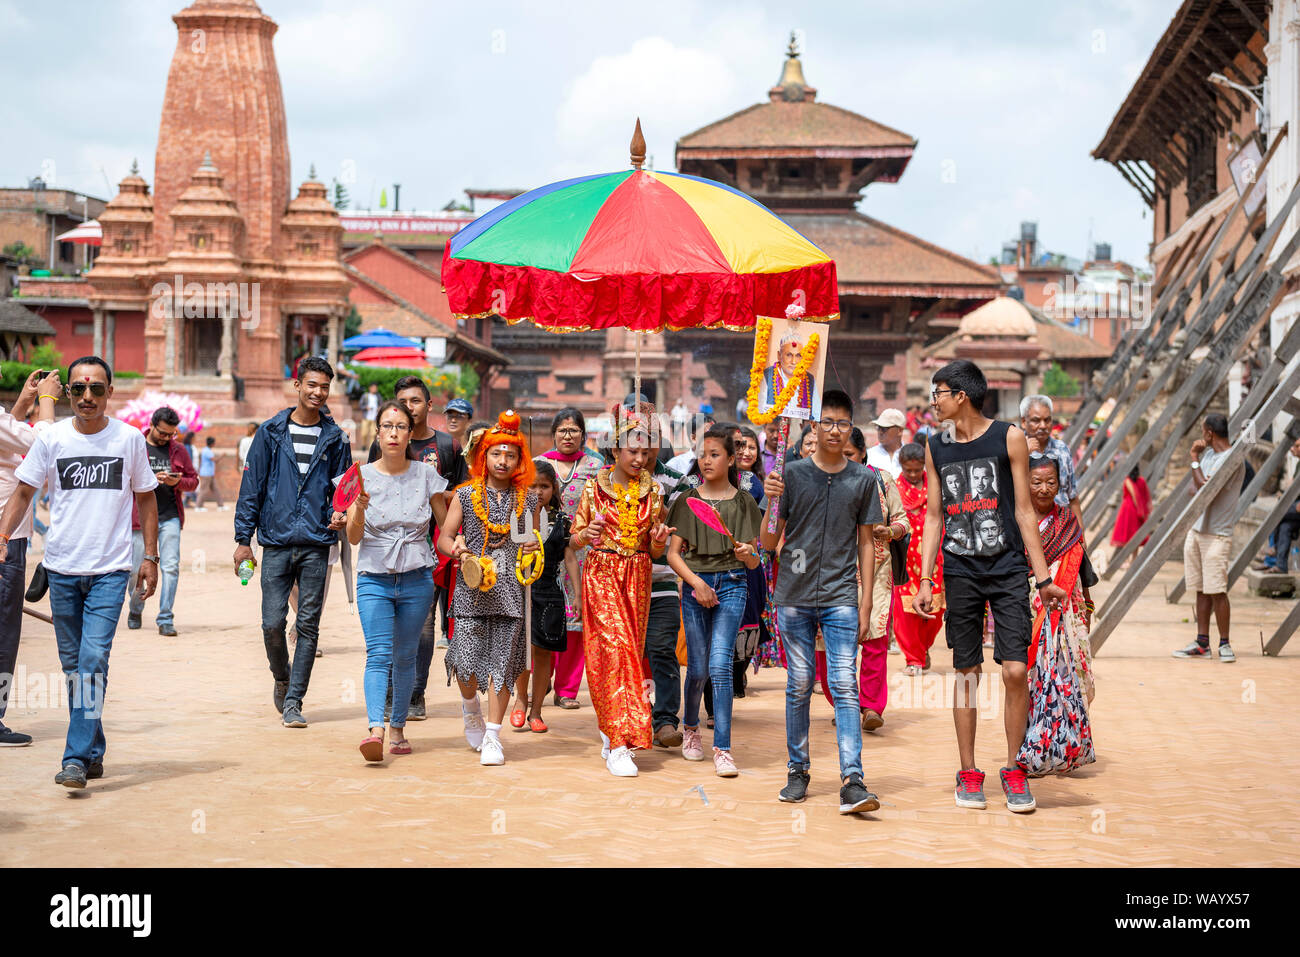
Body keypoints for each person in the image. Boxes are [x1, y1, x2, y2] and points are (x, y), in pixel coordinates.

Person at [914, 359, 1066, 814]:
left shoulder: (1009, 437)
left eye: (938, 392)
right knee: (965, 673)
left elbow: (1023, 511)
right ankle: (968, 769)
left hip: (1006, 568)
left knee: (1016, 670)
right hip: (960, 570)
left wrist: (1042, 579)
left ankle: (1015, 767)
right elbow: (935, 515)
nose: (933, 401)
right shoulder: (934, 444)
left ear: (961, 395)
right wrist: (925, 578)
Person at [0, 356, 160, 789]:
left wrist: (151, 556)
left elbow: (146, 499)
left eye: (97, 389)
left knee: (91, 662)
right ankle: (93, 748)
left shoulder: (128, 440)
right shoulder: (51, 439)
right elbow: (23, 491)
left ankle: (73, 758)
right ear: (68, 393)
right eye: (79, 389)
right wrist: (1, 535)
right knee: (76, 668)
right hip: (62, 571)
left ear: (110, 392)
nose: (87, 397)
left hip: (110, 571)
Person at [761, 388, 884, 814]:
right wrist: (772, 499)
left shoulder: (863, 480)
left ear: (852, 428)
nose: (834, 430)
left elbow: (866, 543)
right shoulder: (790, 475)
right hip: (793, 596)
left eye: (842, 423)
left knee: (845, 685)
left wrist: (866, 601)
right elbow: (768, 540)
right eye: (826, 422)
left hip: (840, 596)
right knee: (798, 685)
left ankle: (853, 779)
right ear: (813, 426)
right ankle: (798, 770)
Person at [234, 356, 353, 728]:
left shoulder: (336, 439)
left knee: (308, 627)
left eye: (325, 387)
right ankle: (282, 676)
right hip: (277, 542)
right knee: (272, 623)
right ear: (297, 385)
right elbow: (251, 488)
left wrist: (341, 512)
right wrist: (243, 539)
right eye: (312, 385)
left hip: (318, 542)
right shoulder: (269, 433)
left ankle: (294, 702)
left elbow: (344, 489)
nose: (318, 393)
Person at [570, 403, 673, 777]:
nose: (640, 458)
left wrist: (659, 539)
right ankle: (620, 742)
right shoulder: (593, 488)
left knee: (628, 651)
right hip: (601, 572)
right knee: (616, 651)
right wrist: (588, 533)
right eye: (633, 451)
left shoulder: (654, 493)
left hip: (638, 576)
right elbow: (575, 537)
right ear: (615, 450)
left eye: (646, 452)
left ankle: (611, 725)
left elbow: (656, 547)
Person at [343, 400, 448, 763]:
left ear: (410, 433)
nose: (393, 433)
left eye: (401, 426)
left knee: (406, 656)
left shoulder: (426, 476)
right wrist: (358, 507)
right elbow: (354, 538)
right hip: (374, 577)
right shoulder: (360, 478)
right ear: (377, 431)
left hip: (418, 577)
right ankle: (376, 728)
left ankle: (399, 727)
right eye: (387, 426)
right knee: (379, 654)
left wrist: (464, 547)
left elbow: (445, 527)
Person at [437, 410, 540, 767]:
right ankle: (470, 709)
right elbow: (445, 538)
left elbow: (530, 542)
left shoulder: (527, 499)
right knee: (464, 661)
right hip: (471, 588)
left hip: (510, 591)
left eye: (511, 455)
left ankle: (494, 737)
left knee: (502, 664)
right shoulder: (465, 496)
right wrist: (459, 550)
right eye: (496, 453)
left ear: (519, 461)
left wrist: (530, 548)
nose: (503, 460)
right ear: (484, 456)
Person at [367, 376, 467, 711]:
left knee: (422, 629)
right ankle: (389, 694)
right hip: (383, 557)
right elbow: (370, 487)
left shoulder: (448, 446)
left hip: (434, 548)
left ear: (428, 405)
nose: (408, 408)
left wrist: (434, 494)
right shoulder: (383, 446)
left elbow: (463, 494)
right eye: (402, 402)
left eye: (415, 401)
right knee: (386, 634)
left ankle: (414, 693)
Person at [667, 425, 762, 776]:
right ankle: (690, 727)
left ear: (731, 459)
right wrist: (696, 584)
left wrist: (749, 553)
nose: (706, 461)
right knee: (699, 668)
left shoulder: (745, 502)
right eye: (702, 455)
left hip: (734, 584)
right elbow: (672, 554)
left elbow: (753, 560)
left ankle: (722, 747)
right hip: (695, 588)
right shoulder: (686, 500)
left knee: (721, 665)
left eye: (714, 454)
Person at [1019, 453, 1097, 775]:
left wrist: (1088, 609)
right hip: (1028, 611)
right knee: (1030, 679)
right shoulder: (1017, 520)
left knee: (1069, 678)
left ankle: (1067, 745)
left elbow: (1083, 569)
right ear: (1025, 483)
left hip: (1068, 613)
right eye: (1036, 482)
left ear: (1060, 484)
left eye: (1051, 482)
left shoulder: (1067, 521)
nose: (1043, 489)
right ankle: (1032, 745)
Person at [0, 367, 59, 746]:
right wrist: (48, 401)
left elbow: (10, 428)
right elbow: (45, 442)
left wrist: (23, 402)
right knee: (4, 633)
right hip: (6, 541)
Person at [536, 408, 605, 710]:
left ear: (583, 434)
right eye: (562, 430)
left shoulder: (596, 465)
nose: (568, 436)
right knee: (543, 615)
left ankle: (566, 689)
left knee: (577, 618)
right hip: (545, 549)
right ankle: (542, 677)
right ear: (553, 433)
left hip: (583, 551)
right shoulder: (539, 463)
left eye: (574, 430)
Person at [509, 462, 578, 734]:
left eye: (544, 486)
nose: (538, 491)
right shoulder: (514, 518)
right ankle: (519, 700)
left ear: (554, 489)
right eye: (532, 486)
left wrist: (579, 597)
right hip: (518, 590)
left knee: (543, 653)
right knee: (520, 649)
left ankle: (536, 711)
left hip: (550, 592)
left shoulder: (561, 521)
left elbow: (570, 558)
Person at [1173, 413, 1242, 661]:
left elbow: (1204, 488)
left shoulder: (1231, 459)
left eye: (1204, 432)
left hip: (1217, 534)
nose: (1202, 438)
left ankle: (1224, 643)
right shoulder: (1211, 456)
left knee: (1217, 590)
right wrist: (1199, 473)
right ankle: (1203, 642)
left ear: (1210, 432)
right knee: (1201, 589)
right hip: (1198, 531)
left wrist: (1193, 459)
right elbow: (1196, 487)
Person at [126, 407, 198, 636]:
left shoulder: (179, 450)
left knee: (170, 567)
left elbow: (193, 481)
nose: (167, 438)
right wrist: (149, 479)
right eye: (163, 433)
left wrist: (176, 482)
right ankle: (136, 608)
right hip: (140, 518)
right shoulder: (137, 446)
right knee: (136, 570)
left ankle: (165, 617)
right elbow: (124, 479)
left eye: (171, 434)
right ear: (153, 425)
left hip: (170, 517)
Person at [892, 443, 942, 675]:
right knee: (905, 615)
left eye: (917, 470)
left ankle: (923, 648)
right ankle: (913, 658)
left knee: (935, 612)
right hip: (904, 559)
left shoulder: (935, 485)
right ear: (901, 466)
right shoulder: (893, 489)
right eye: (907, 470)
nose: (912, 475)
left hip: (933, 560)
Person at [1021, 395, 1083, 532]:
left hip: (1062, 530)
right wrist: (1023, 453)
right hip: (1029, 531)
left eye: (1047, 420)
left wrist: (1081, 536)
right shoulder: (1015, 449)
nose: (1043, 426)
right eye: (1036, 420)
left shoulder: (1062, 450)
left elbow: (1072, 497)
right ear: (1024, 422)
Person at [761, 329, 816, 417]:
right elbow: (760, 411)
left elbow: (815, 414)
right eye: (789, 355)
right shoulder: (766, 376)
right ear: (779, 355)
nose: (794, 361)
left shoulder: (810, 379)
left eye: (798, 355)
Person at [1108, 465, 1150, 569]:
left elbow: (1135, 495)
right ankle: (1133, 560)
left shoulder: (1128, 480)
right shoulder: (1142, 480)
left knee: (1126, 535)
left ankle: (1126, 560)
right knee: (1134, 534)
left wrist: (1139, 509)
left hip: (1129, 509)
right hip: (1136, 510)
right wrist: (1143, 511)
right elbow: (1146, 496)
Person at [867, 408, 905, 478]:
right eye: (878, 427)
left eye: (885, 428)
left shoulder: (911, 455)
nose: (880, 432)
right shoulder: (869, 455)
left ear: (900, 430)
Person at [194, 435, 224, 510]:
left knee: (215, 489)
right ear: (212, 443)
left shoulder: (207, 450)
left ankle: (221, 505)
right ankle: (198, 506)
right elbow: (215, 460)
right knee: (204, 490)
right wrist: (222, 456)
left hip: (210, 473)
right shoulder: (207, 451)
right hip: (206, 474)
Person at [358, 383, 381, 450]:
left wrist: (379, 408)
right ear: (370, 388)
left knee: (373, 434)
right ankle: (363, 445)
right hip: (366, 417)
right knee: (364, 433)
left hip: (374, 418)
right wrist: (366, 407)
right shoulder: (365, 395)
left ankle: (370, 448)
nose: (375, 389)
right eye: (373, 388)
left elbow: (381, 405)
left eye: (376, 388)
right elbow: (360, 405)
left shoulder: (378, 396)